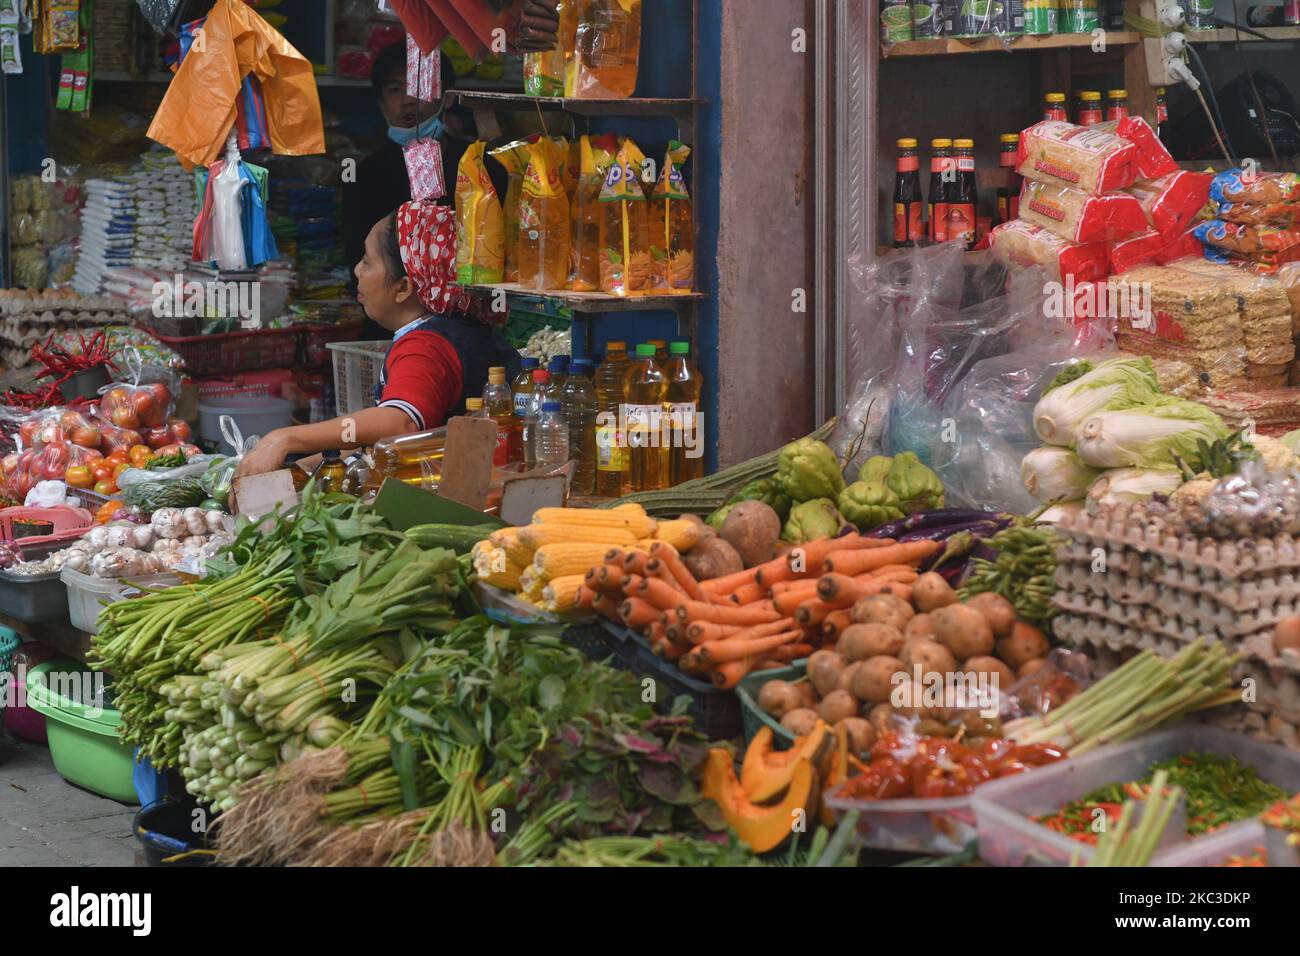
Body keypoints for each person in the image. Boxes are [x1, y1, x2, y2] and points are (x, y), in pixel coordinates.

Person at [237, 201, 522, 478]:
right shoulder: (464, 330)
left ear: (403, 288)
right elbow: (372, 448)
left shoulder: (425, 348)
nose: (357, 270)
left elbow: (400, 422)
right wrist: (297, 472)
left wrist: (285, 438)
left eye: (367, 261)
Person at [342, 43, 506, 340]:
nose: (408, 100)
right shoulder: (363, 176)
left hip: (467, 323)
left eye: (420, 87)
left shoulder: (481, 167)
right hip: (391, 326)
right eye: (394, 90)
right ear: (380, 103)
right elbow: (355, 258)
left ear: (445, 95)